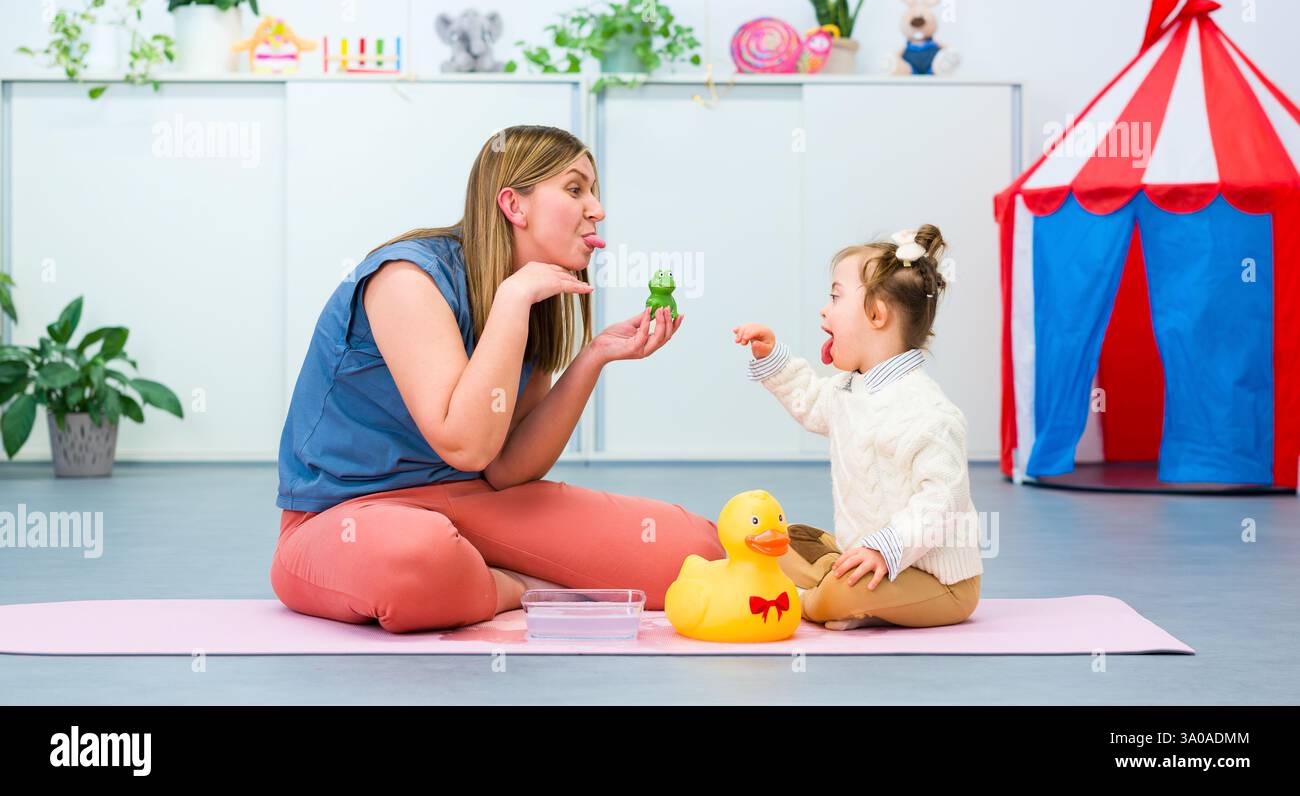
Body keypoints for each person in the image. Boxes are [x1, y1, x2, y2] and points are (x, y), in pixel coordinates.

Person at [271, 125, 724, 633]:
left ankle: (479, 576)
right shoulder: (408, 279)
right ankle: (523, 589)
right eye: (576, 190)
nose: (596, 209)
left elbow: (506, 469)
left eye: (593, 193)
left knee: (695, 553)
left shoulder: (536, 293)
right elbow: (466, 447)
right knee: (417, 562)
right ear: (514, 204)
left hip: (476, 503)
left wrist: (593, 357)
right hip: (348, 515)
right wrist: (511, 303)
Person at [732, 225, 983, 628]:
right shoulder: (852, 389)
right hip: (872, 559)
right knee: (785, 541)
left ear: (876, 315)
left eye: (835, 296)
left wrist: (886, 549)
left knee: (843, 588)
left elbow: (942, 502)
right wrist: (774, 358)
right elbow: (812, 401)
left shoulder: (929, 412)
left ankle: (814, 600)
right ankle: (845, 588)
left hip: (937, 582)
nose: (824, 310)